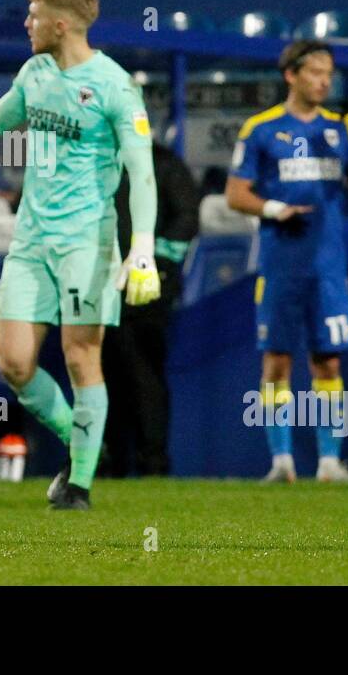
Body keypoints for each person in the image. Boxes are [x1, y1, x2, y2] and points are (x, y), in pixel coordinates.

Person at [0, 0, 161, 510]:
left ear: (60, 23)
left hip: (86, 245)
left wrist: (141, 249)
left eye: (33, 13)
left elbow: (142, 174)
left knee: (80, 356)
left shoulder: (115, 87)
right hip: (31, 241)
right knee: (14, 362)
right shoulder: (35, 73)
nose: (26, 22)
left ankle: (79, 485)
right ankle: (84, 443)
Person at [224, 40, 348, 483]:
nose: (324, 80)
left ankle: (330, 461)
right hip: (280, 262)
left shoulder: (339, 129)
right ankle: (282, 462)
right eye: (315, 72)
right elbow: (235, 194)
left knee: (327, 361)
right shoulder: (261, 129)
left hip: (329, 265)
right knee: (276, 361)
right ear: (291, 75)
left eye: (329, 73)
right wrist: (276, 210)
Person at [102, 137, 199, 476]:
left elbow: (187, 218)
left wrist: (152, 261)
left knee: (144, 374)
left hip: (148, 290)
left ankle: (152, 461)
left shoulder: (165, 164)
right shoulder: (95, 158)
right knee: (98, 374)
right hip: (98, 285)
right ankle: (105, 460)